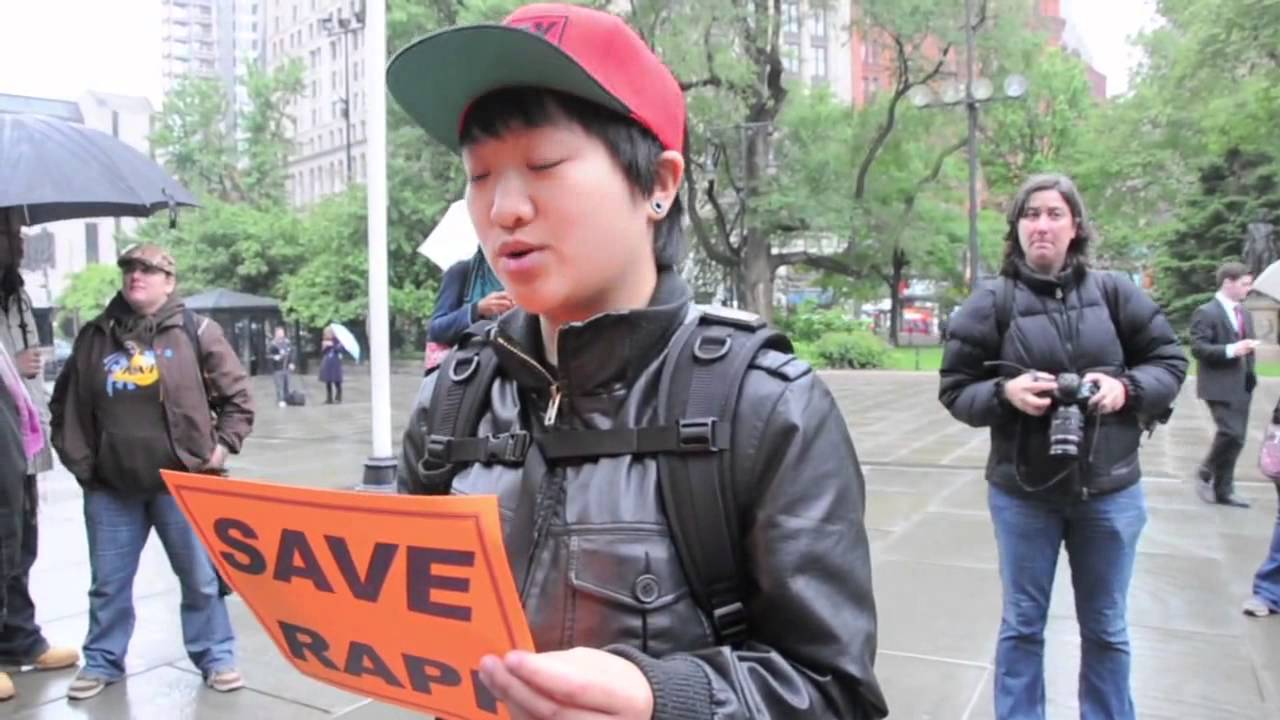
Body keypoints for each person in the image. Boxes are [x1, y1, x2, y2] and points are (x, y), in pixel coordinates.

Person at [390, 5, 887, 718]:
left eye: (544, 164)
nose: (502, 209)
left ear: (658, 181)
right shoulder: (453, 396)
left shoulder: (765, 407)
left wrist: (668, 697)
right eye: (478, 174)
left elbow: (835, 692)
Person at [939, 173, 1187, 720]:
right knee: (1023, 624)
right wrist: (1005, 393)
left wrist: (1127, 389)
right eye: (1031, 214)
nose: (1042, 225)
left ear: (1075, 226)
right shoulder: (990, 301)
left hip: (1110, 491)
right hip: (1023, 493)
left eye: (1054, 214)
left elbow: (1170, 361)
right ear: (1017, 229)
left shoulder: (1116, 292)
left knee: (1107, 625)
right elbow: (955, 390)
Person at [49, 243, 253, 700]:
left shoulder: (197, 331)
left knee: (200, 579)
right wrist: (82, 463)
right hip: (111, 488)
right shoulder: (94, 335)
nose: (135, 275)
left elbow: (238, 400)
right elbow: (63, 403)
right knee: (109, 584)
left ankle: (216, 657)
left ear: (169, 281)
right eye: (129, 269)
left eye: (147, 269)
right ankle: (103, 661)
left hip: (180, 486)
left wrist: (218, 453)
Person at [0, 210, 79, 703]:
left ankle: (18, 638)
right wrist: (14, 356)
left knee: (18, 545)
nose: (22, 242)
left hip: (20, 441)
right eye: (11, 233)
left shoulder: (16, 291)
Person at [1190, 262, 1258, 508]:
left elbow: (1246, 349)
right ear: (1228, 282)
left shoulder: (1245, 312)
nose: (1248, 289)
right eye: (1244, 284)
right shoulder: (1206, 312)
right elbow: (1198, 348)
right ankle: (1206, 470)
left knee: (1238, 439)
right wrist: (1232, 350)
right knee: (1230, 432)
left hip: (1243, 384)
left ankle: (1224, 490)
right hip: (1218, 384)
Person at [426, 250, 512, 373]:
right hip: (467, 373)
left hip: (513, 372)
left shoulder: (525, 275)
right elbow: (437, 329)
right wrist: (478, 309)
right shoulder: (462, 272)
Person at [267, 325, 294, 408]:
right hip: (277, 367)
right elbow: (268, 355)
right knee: (279, 385)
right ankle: (280, 400)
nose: (281, 334)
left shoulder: (287, 342)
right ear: (276, 334)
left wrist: (291, 363)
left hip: (286, 366)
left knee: (286, 384)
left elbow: (291, 353)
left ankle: (286, 399)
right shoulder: (272, 344)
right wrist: (274, 357)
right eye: (279, 333)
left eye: (282, 333)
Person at [318, 326, 344, 404]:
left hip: (335, 362)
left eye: (329, 333)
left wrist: (332, 345)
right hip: (327, 362)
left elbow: (340, 350)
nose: (327, 335)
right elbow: (323, 352)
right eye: (326, 333)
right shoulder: (325, 341)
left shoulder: (337, 340)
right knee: (328, 381)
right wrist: (324, 347)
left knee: (337, 381)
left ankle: (338, 397)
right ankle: (329, 398)